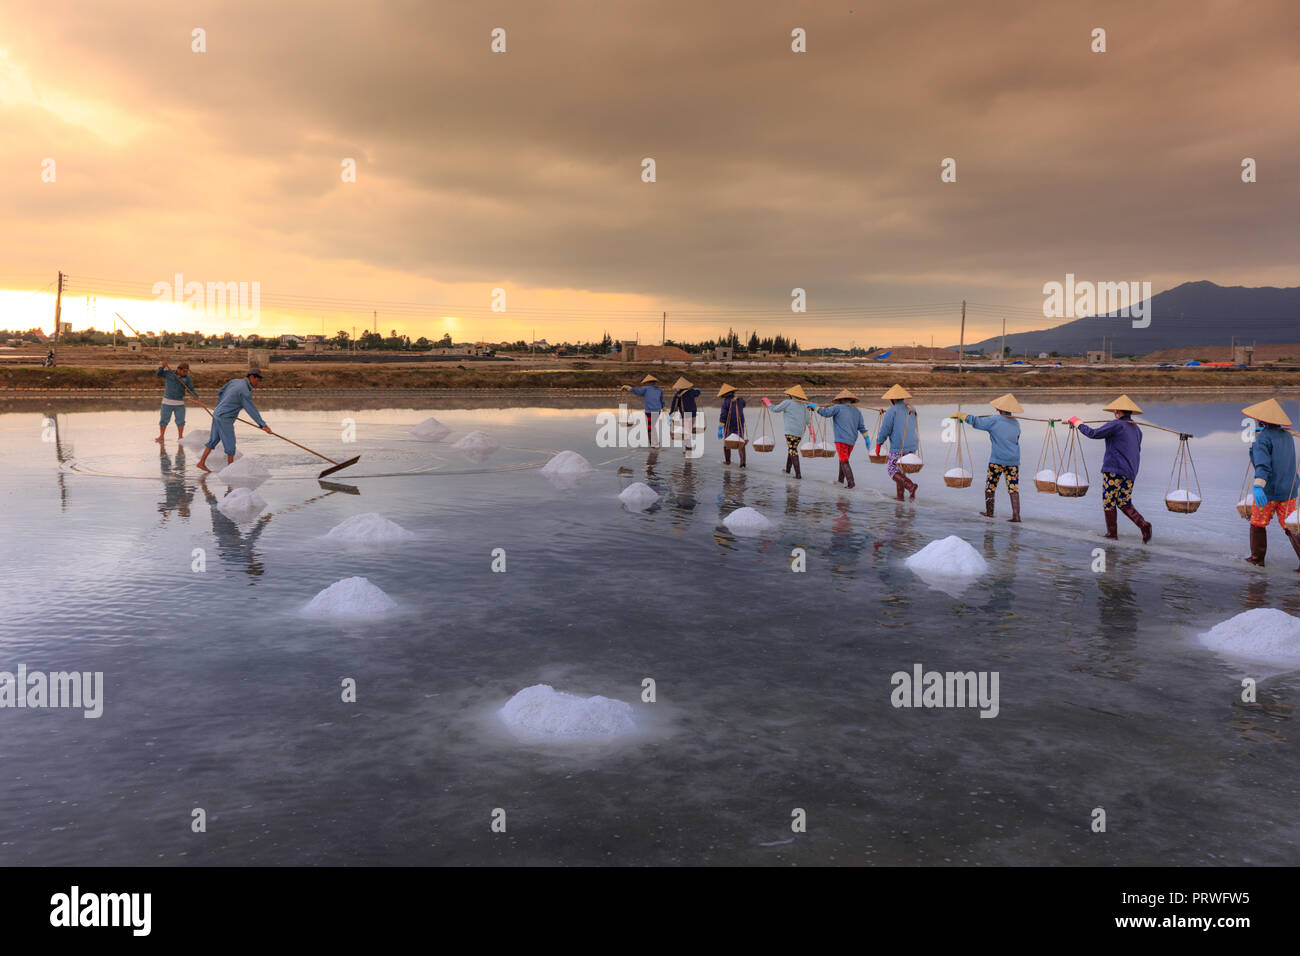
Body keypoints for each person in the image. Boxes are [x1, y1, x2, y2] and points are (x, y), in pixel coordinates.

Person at [1067, 394, 1150, 543]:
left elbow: (1094, 434)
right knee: (1124, 501)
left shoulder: (1116, 424)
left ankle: (1112, 533)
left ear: (1118, 412)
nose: (1114, 414)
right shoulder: (1137, 429)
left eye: (1115, 411)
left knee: (1109, 501)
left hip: (1114, 469)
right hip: (1130, 471)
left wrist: (1078, 423)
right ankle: (1143, 524)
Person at [1240, 398, 1300, 569]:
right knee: (1291, 525)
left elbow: (1262, 465)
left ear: (1261, 420)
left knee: (1257, 523)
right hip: (1289, 490)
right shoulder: (1287, 436)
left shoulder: (1263, 439)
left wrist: (1258, 486)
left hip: (1269, 492)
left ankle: (1257, 559)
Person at [955, 393, 1023, 522]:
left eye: (998, 408)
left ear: (1001, 409)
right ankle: (1016, 515)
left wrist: (962, 415)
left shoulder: (994, 420)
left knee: (990, 486)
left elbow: (977, 422)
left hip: (997, 460)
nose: (996, 410)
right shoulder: (1016, 423)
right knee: (1013, 488)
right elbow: (1016, 439)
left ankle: (989, 512)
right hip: (1013, 461)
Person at [196, 369, 272, 472]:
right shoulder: (244, 391)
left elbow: (221, 392)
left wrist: (222, 405)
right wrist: (263, 425)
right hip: (224, 418)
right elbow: (251, 410)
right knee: (230, 445)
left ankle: (201, 463)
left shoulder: (235, 381)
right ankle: (230, 469)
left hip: (217, 414)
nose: (258, 383)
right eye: (258, 380)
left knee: (213, 440)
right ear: (252, 377)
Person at [813, 389, 869, 488]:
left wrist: (815, 407)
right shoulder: (857, 411)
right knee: (843, 459)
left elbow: (825, 413)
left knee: (844, 461)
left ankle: (851, 483)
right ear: (851, 400)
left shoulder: (837, 407)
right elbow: (862, 427)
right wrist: (867, 439)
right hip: (852, 441)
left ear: (841, 400)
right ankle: (840, 481)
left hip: (841, 440)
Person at [875, 384, 918, 500]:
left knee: (892, 470)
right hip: (912, 446)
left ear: (893, 399)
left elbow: (885, 430)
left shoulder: (892, 411)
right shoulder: (912, 409)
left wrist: (878, 444)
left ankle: (910, 486)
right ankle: (900, 497)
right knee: (901, 472)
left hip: (898, 447)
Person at [764, 384, 809, 478]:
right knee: (791, 449)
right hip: (800, 433)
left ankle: (798, 474)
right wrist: (812, 432)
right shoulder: (804, 405)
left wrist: (767, 402)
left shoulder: (787, 402)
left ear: (791, 395)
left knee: (792, 450)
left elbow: (775, 409)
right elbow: (808, 420)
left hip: (790, 432)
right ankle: (788, 470)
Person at [155, 361, 197, 442]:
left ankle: (180, 437)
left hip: (179, 403)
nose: (185, 373)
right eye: (184, 371)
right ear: (178, 369)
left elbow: (191, 390)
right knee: (164, 420)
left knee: (180, 421)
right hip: (167, 402)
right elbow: (158, 374)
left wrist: (196, 398)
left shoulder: (187, 379)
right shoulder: (169, 373)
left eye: (186, 372)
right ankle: (161, 436)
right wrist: (162, 367)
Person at [621, 374, 665, 444]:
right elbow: (662, 400)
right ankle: (655, 442)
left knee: (650, 428)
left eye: (646, 383)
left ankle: (653, 444)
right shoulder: (659, 390)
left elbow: (638, 392)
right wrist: (663, 407)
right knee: (652, 426)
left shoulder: (646, 388)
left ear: (649, 382)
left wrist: (629, 388)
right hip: (657, 411)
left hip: (649, 412)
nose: (645, 384)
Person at [668, 377, 701, 451]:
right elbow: (697, 393)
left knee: (687, 432)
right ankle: (688, 448)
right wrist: (698, 390)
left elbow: (674, 406)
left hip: (685, 415)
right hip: (693, 415)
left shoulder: (678, 394)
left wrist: (670, 415)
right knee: (688, 431)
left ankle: (688, 449)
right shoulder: (692, 391)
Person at [718, 384, 746, 467]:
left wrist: (720, 427)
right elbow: (744, 404)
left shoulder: (726, 402)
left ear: (726, 394)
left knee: (727, 443)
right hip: (739, 424)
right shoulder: (740, 400)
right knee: (741, 443)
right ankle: (742, 462)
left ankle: (727, 461)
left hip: (729, 425)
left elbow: (723, 415)